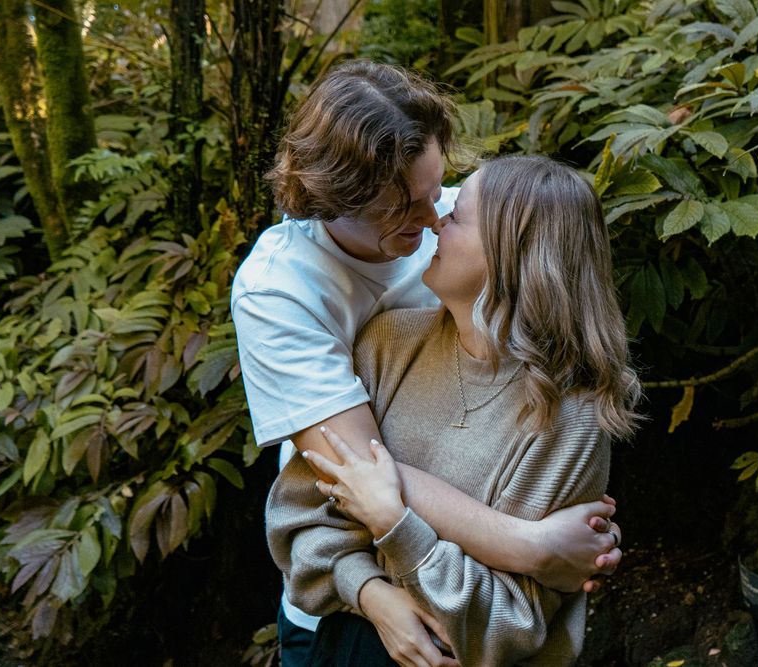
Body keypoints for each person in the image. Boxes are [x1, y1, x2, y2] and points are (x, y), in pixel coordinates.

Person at [231, 61, 623, 665]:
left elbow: (514, 618)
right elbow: (343, 473)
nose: (436, 216)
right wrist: (534, 547)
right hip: (339, 619)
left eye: (440, 192)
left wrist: (571, 546)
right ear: (337, 200)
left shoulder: (477, 227)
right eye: (406, 206)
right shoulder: (287, 292)